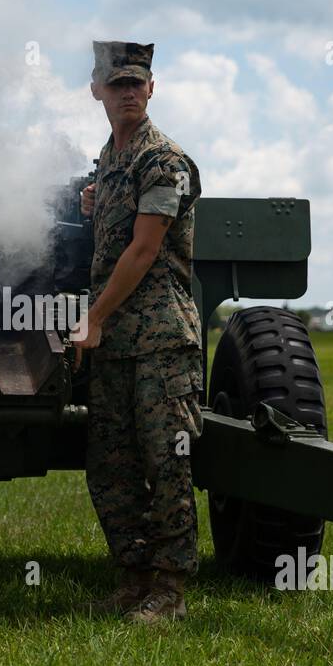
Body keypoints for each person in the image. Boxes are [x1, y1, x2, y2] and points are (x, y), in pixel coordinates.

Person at [75, 40, 204, 624]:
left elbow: (146, 247)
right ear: (96, 89)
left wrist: (93, 317)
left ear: (151, 89)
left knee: (166, 461)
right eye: (116, 83)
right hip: (116, 342)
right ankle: (133, 577)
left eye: (137, 83)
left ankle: (170, 589)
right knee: (112, 463)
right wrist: (94, 201)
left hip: (159, 340)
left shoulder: (164, 160)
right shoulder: (110, 159)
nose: (127, 93)